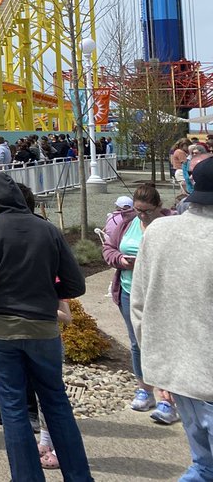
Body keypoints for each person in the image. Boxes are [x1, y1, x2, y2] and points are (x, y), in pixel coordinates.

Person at [0, 172, 91, 482]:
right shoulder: (49, 231)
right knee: (56, 403)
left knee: (14, 409)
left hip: (2, 332)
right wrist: (43, 294)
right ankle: (80, 476)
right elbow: (76, 284)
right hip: (43, 329)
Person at [131, 157, 213, 482]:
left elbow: (139, 306)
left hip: (178, 375)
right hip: (204, 375)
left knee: (204, 466)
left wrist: (158, 364)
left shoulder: (158, 232)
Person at [102, 183, 177, 423]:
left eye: (147, 211)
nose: (142, 215)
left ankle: (169, 400)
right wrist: (122, 260)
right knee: (136, 343)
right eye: (138, 210)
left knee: (164, 343)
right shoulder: (127, 224)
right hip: (128, 290)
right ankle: (145, 390)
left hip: (160, 294)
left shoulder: (170, 225)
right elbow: (109, 249)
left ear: (159, 207)